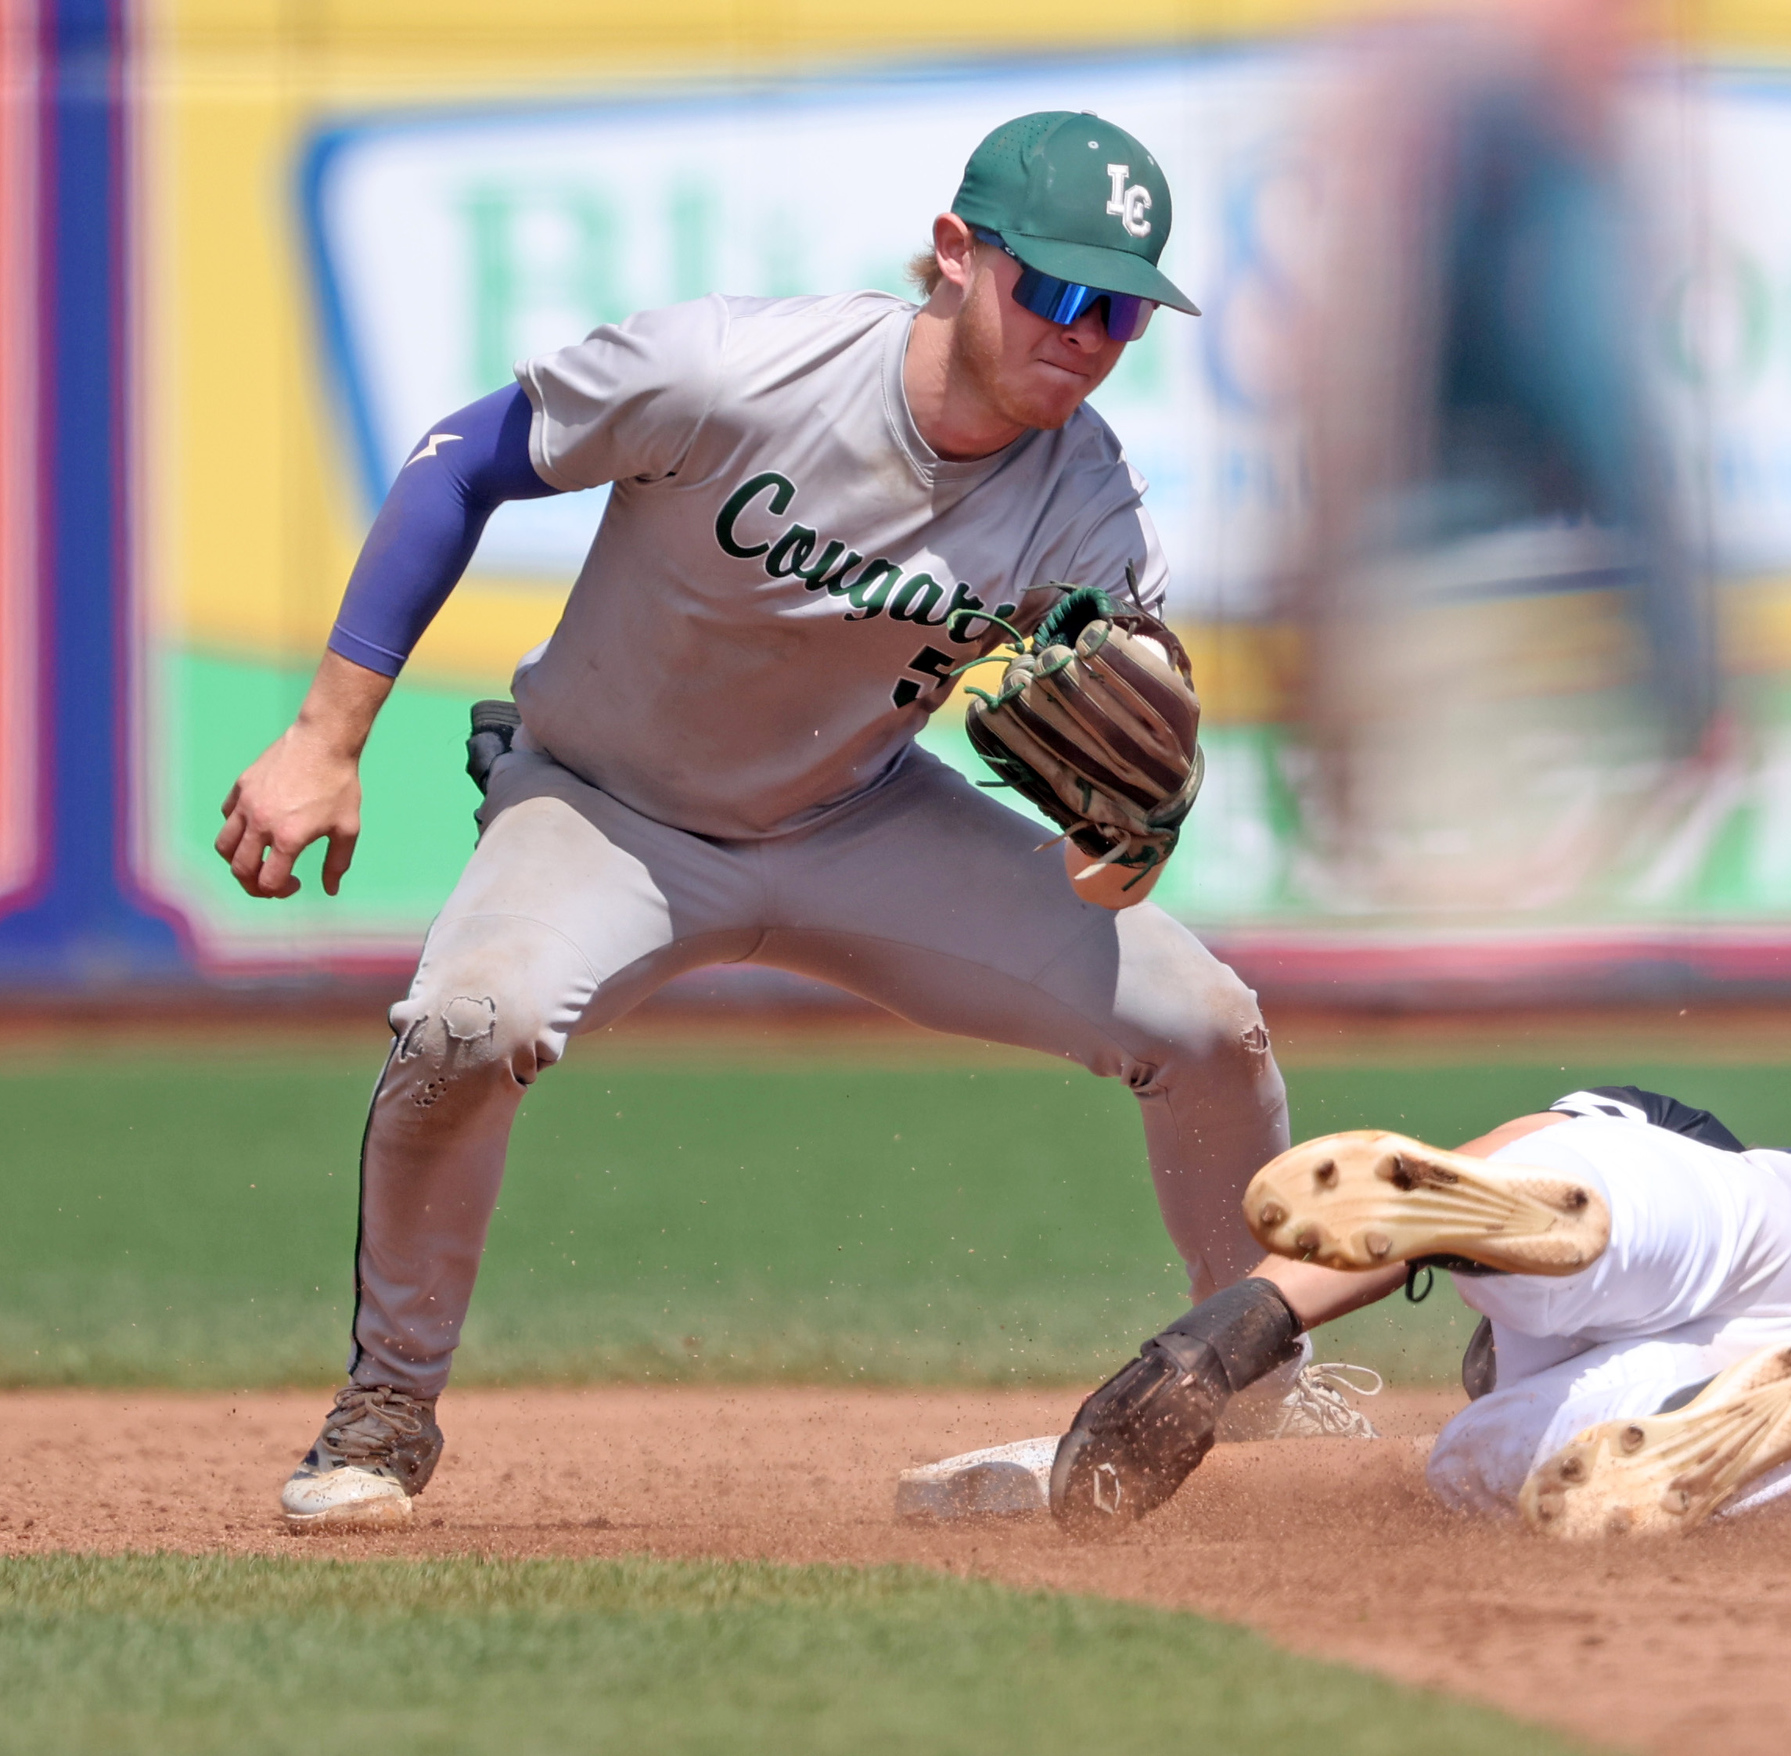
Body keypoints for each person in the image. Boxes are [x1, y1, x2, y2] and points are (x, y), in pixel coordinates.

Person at [215, 112, 1299, 1531]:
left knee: (1209, 1027)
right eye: (1057, 287)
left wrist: (1131, 837)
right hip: (605, 809)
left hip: (858, 822)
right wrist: (324, 735)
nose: (1086, 334)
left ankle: (1258, 1397)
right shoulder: (731, 371)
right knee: (470, 1023)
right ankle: (386, 1407)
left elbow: (1126, 786)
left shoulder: (1085, 501)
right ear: (956, 254)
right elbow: (462, 457)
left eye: (1124, 311)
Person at [1049, 1085, 1791, 1537]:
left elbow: (1444, 1182)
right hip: (1779, 1354)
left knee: (1483, 1423)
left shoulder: (1700, 1145)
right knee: (1487, 1465)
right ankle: (1695, 1430)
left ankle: (1492, 1239)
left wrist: (1232, 1333)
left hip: (1714, 1212)